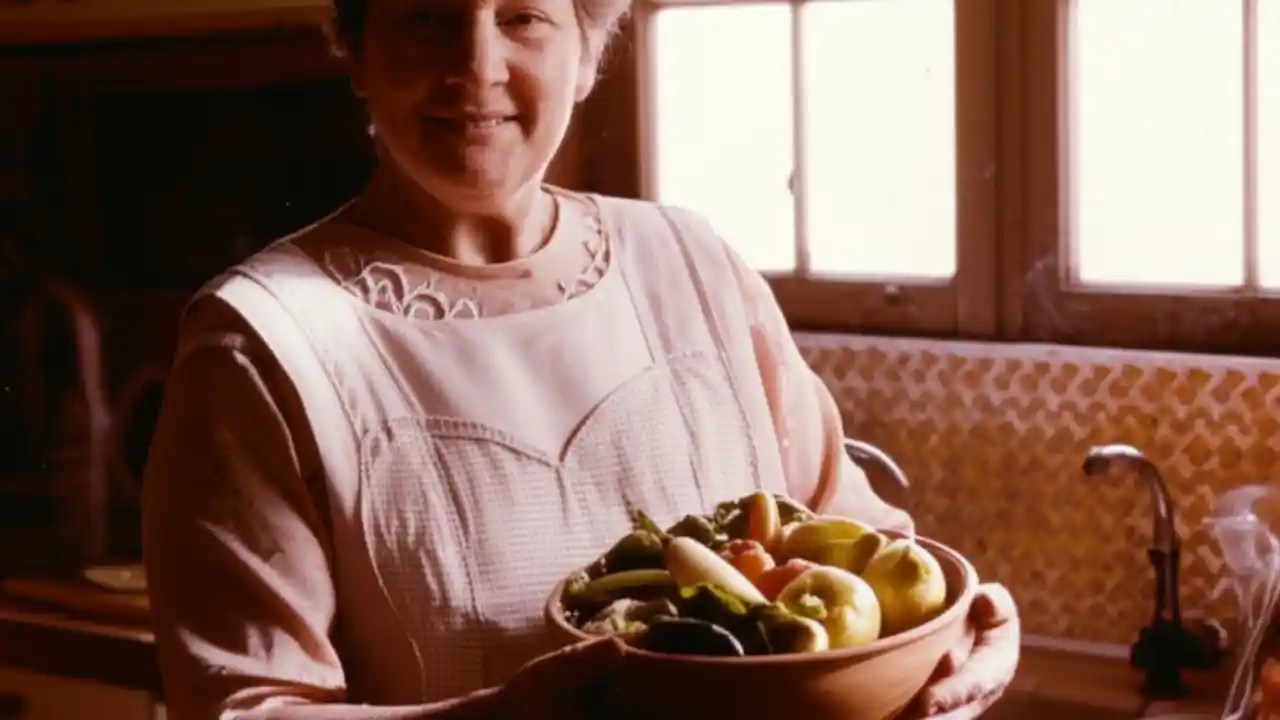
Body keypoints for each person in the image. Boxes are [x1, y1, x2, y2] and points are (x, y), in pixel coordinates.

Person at [140, 0, 1021, 717]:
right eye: (424, 18)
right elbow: (245, 708)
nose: (477, 64)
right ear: (357, 52)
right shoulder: (261, 343)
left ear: (588, 49)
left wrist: (969, 633)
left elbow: (862, 561)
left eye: (523, 17)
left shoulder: (695, 266)